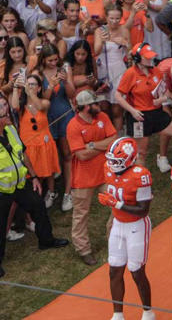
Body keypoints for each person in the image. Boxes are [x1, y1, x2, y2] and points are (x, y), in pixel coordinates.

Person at [0, 92, 68, 278]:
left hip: (21, 184)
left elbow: (23, 154)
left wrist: (35, 177)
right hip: (2, 191)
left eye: (5, 106)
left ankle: (46, 240)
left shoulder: (11, 130)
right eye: (1, 109)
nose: (6, 111)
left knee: (38, 206)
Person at [97, 137, 154, 320]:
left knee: (136, 271)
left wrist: (116, 204)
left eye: (117, 161)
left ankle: (147, 310)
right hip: (119, 224)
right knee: (114, 269)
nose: (112, 164)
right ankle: (118, 314)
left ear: (129, 160)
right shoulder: (108, 168)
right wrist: (111, 202)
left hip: (137, 225)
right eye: (111, 160)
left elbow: (143, 210)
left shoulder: (140, 175)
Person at [116, 43, 172, 164]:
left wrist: (170, 98)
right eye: (147, 57)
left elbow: (163, 89)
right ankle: (140, 180)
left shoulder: (156, 71)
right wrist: (132, 111)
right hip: (139, 117)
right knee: (141, 153)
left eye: (151, 56)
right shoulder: (130, 74)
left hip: (156, 114)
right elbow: (118, 96)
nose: (151, 59)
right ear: (137, 59)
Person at [66, 90, 117, 265]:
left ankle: (114, 238)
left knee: (117, 204)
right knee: (81, 214)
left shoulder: (102, 116)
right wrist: (103, 147)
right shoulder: (73, 126)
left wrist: (92, 145)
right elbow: (81, 155)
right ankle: (83, 249)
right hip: (83, 179)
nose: (99, 105)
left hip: (105, 174)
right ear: (86, 107)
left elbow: (114, 139)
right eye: (95, 104)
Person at [33, 44, 76, 211]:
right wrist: (50, 85)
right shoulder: (37, 74)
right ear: (43, 59)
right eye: (50, 60)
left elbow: (72, 94)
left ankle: (68, 192)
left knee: (67, 154)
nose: (53, 63)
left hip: (65, 115)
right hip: (47, 118)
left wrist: (65, 81)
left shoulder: (65, 69)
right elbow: (42, 101)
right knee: (50, 156)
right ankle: (51, 191)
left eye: (56, 60)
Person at [10, 73, 60, 208]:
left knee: (43, 176)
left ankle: (47, 196)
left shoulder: (44, 102)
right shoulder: (21, 105)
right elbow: (14, 107)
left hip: (43, 144)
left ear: (39, 88)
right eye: (28, 84)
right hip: (28, 146)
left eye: (33, 85)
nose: (30, 87)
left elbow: (39, 106)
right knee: (29, 179)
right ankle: (29, 215)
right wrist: (16, 88)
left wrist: (30, 93)